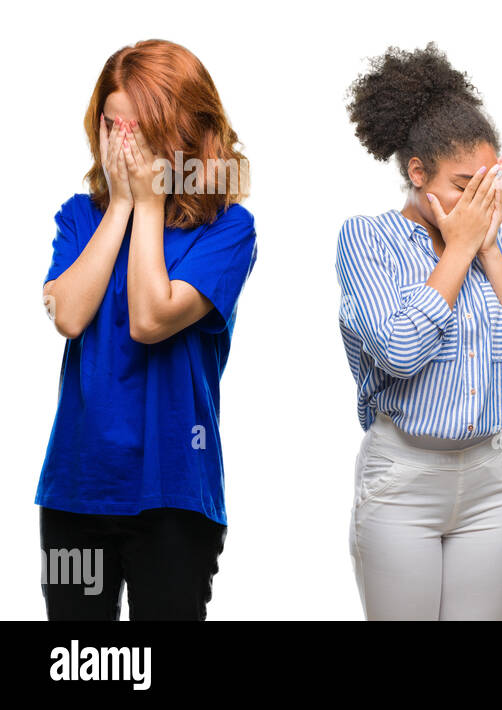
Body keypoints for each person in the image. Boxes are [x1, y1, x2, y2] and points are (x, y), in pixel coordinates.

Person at [38, 39, 256, 620]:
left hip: (176, 498)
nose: (125, 144)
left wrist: (151, 206)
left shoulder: (228, 230)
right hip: (75, 495)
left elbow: (151, 317)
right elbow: (68, 314)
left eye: (141, 130)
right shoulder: (78, 216)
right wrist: (119, 209)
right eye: (114, 127)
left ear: (182, 131)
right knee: (78, 660)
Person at [337, 42, 502, 620]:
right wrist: (459, 250)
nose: (478, 205)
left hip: (491, 479)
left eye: (490, 188)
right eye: (464, 187)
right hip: (404, 478)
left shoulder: (494, 247)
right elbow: (399, 351)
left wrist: (489, 253)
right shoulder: (367, 240)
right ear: (417, 173)